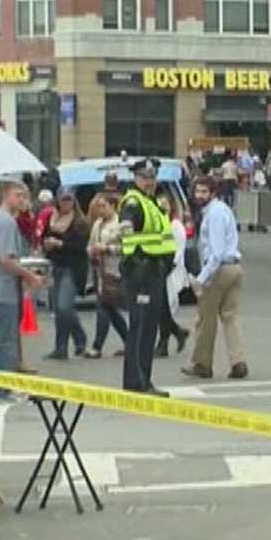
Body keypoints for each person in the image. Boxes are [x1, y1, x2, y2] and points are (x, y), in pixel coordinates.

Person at [0, 180, 48, 401]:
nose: (22, 200)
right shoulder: (7, 221)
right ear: (6, 195)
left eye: (24, 196)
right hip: (2, 288)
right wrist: (30, 276)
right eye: (18, 195)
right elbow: (5, 260)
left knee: (2, 339)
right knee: (5, 341)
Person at [117, 158, 175, 396]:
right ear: (136, 178)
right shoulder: (133, 201)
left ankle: (141, 379)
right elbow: (126, 225)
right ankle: (138, 381)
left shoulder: (153, 202)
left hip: (153, 271)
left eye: (152, 177)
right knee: (141, 328)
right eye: (144, 177)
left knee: (148, 327)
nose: (149, 182)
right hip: (140, 271)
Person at [181, 176, 248, 380]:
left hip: (219, 270)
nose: (199, 195)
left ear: (213, 193)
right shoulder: (222, 210)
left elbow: (216, 252)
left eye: (203, 191)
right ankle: (238, 361)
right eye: (197, 191)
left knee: (205, 319)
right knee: (230, 316)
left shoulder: (215, 214)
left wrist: (201, 278)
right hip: (233, 267)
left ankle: (202, 364)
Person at [41, 191, 90, 360]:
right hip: (57, 266)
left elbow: (81, 247)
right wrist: (47, 244)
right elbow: (45, 237)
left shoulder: (80, 222)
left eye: (70, 199)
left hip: (73, 268)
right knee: (59, 309)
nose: (67, 203)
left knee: (64, 306)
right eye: (63, 199)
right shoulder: (52, 219)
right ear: (58, 201)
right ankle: (61, 347)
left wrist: (61, 244)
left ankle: (80, 337)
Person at [83, 194, 128, 359]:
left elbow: (125, 247)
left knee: (105, 307)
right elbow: (90, 244)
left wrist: (107, 248)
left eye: (103, 206)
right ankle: (129, 341)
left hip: (115, 271)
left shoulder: (120, 224)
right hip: (100, 271)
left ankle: (97, 346)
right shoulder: (97, 224)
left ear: (113, 206)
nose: (100, 210)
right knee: (109, 308)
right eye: (98, 207)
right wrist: (92, 251)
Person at [154, 194, 191, 358]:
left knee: (165, 307)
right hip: (159, 270)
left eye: (165, 204)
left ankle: (164, 342)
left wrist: (169, 267)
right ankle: (175, 334)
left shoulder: (176, 225)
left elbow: (178, 251)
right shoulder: (158, 224)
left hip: (171, 271)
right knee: (161, 308)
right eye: (159, 204)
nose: (163, 207)